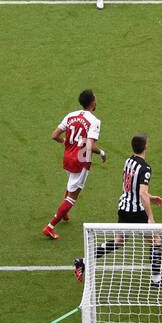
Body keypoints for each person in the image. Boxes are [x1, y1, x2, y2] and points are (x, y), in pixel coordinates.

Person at [74, 134, 162, 288]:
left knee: (120, 241)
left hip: (124, 208)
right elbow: (141, 193)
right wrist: (150, 217)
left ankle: (83, 261)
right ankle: (156, 280)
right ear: (146, 147)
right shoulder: (145, 168)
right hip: (136, 212)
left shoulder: (128, 161)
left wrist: (150, 198)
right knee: (156, 240)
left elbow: (131, 188)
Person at [44, 89, 106, 239]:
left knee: (70, 183)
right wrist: (102, 153)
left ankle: (64, 213)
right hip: (81, 160)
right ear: (92, 103)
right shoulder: (94, 121)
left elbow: (54, 135)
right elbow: (90, 146)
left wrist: (68, 143)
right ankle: (50, 227)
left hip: (68, 156)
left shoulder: (71, 115)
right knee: (73, 195)